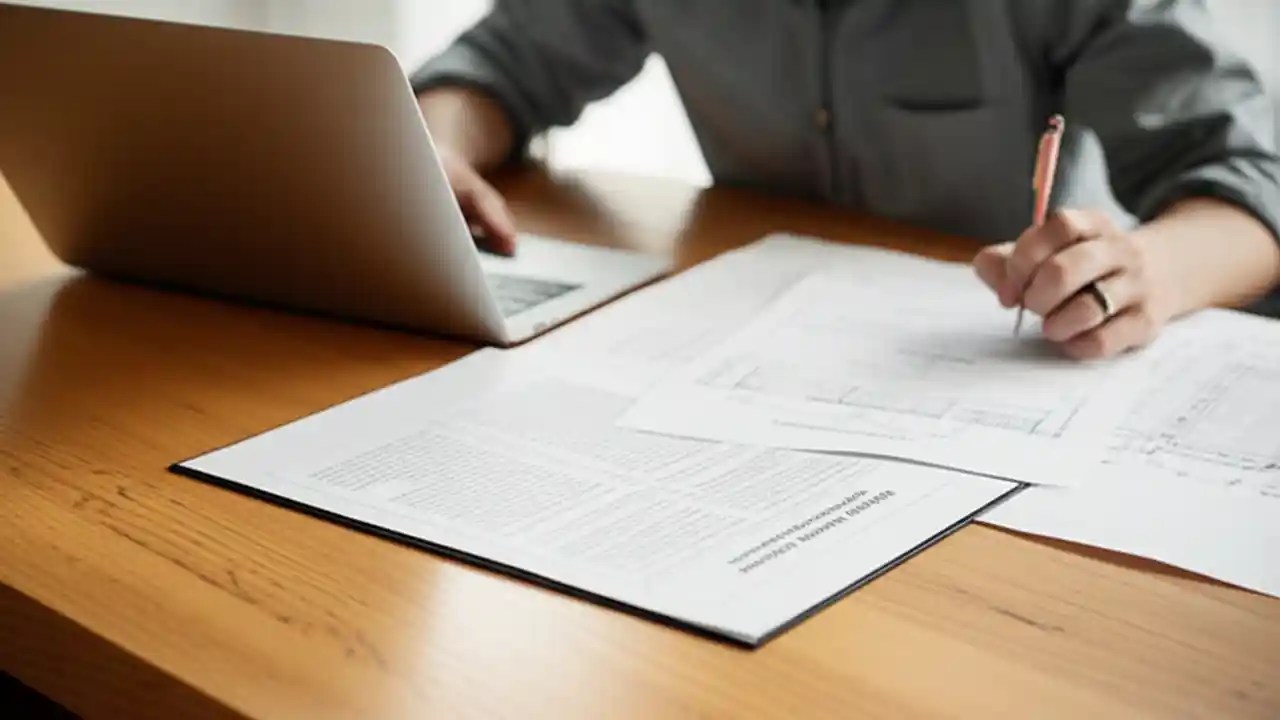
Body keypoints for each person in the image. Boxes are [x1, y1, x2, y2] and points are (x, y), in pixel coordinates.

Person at [412, 0, 1280, 360]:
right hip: (748, 346)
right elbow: (499, 67)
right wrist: (434, 146)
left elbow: (1253, 175)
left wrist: (1147, 274)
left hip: (997, 357)